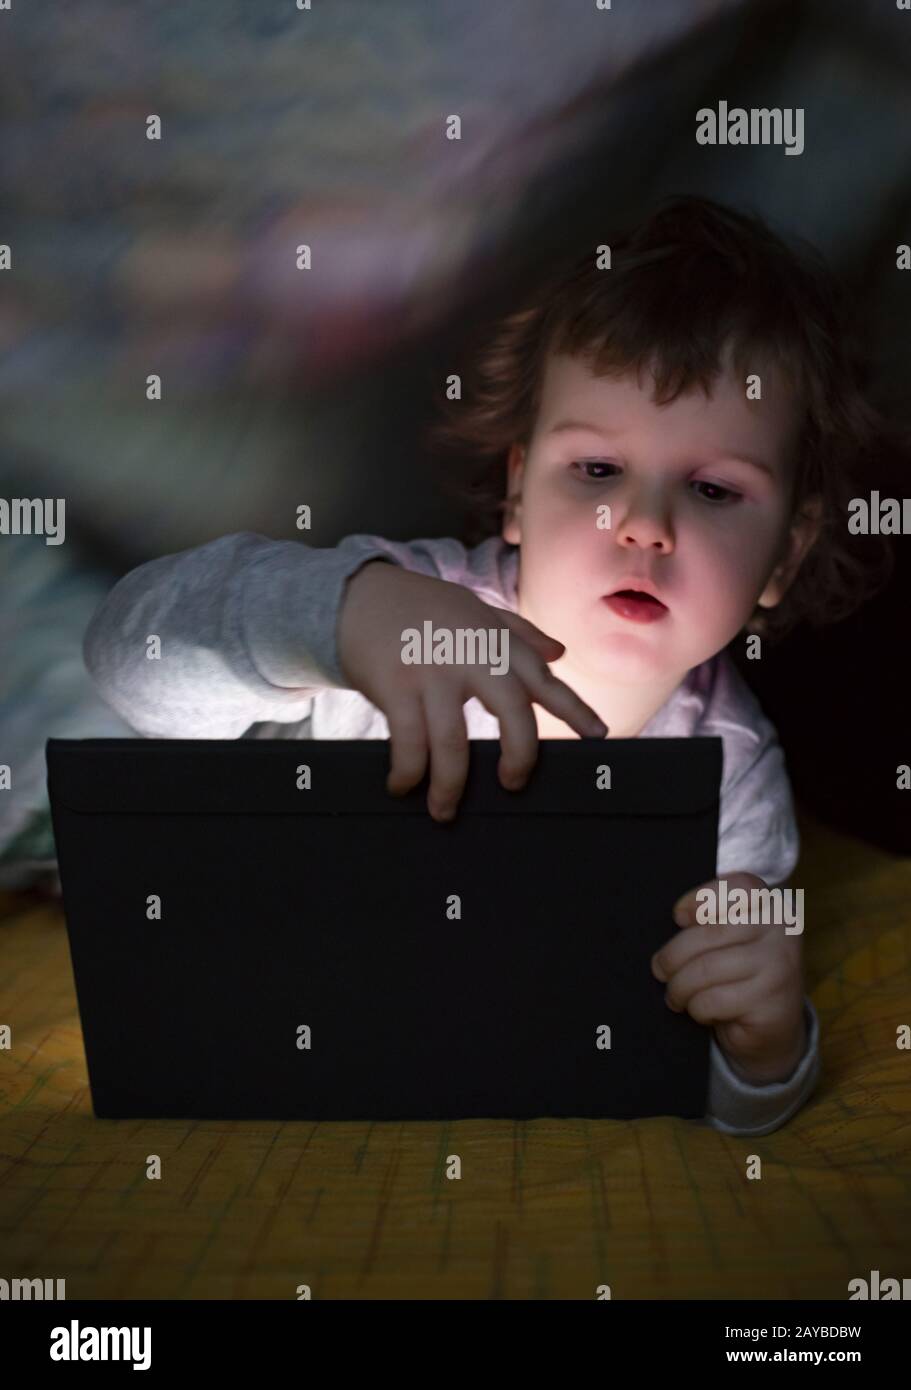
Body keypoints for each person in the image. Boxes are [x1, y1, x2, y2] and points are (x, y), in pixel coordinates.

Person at [83, 196, 895, 1136]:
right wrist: (338, 615)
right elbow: (124, 656)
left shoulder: (734, 773)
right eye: (595, 470)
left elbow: (685, 1082)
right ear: (517, 493)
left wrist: (764, 1051)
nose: (643, 525)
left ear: (784, 560)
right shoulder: (402, 606)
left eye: (713, 489)